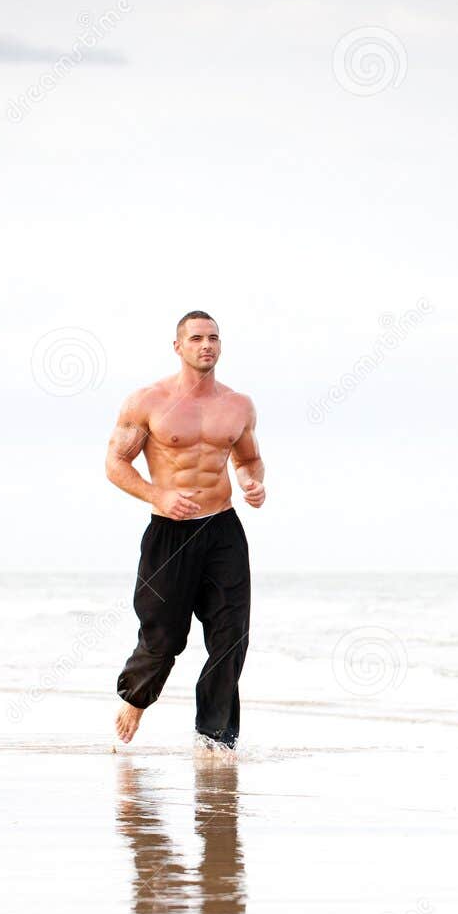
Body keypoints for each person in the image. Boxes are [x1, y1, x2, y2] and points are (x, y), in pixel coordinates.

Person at [105, 311, 265, 752]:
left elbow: (249, 460)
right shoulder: (148, 402)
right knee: (163, 637)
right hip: (170, 532)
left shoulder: (238, 405)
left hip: (223, 529)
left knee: (231, 636)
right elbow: (115, 465)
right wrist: (157, 496)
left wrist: (253, 482)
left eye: (213, 338)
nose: (206, 345)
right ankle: (136, 697)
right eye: (196, 338)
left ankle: (215, 740)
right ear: (178, 346)